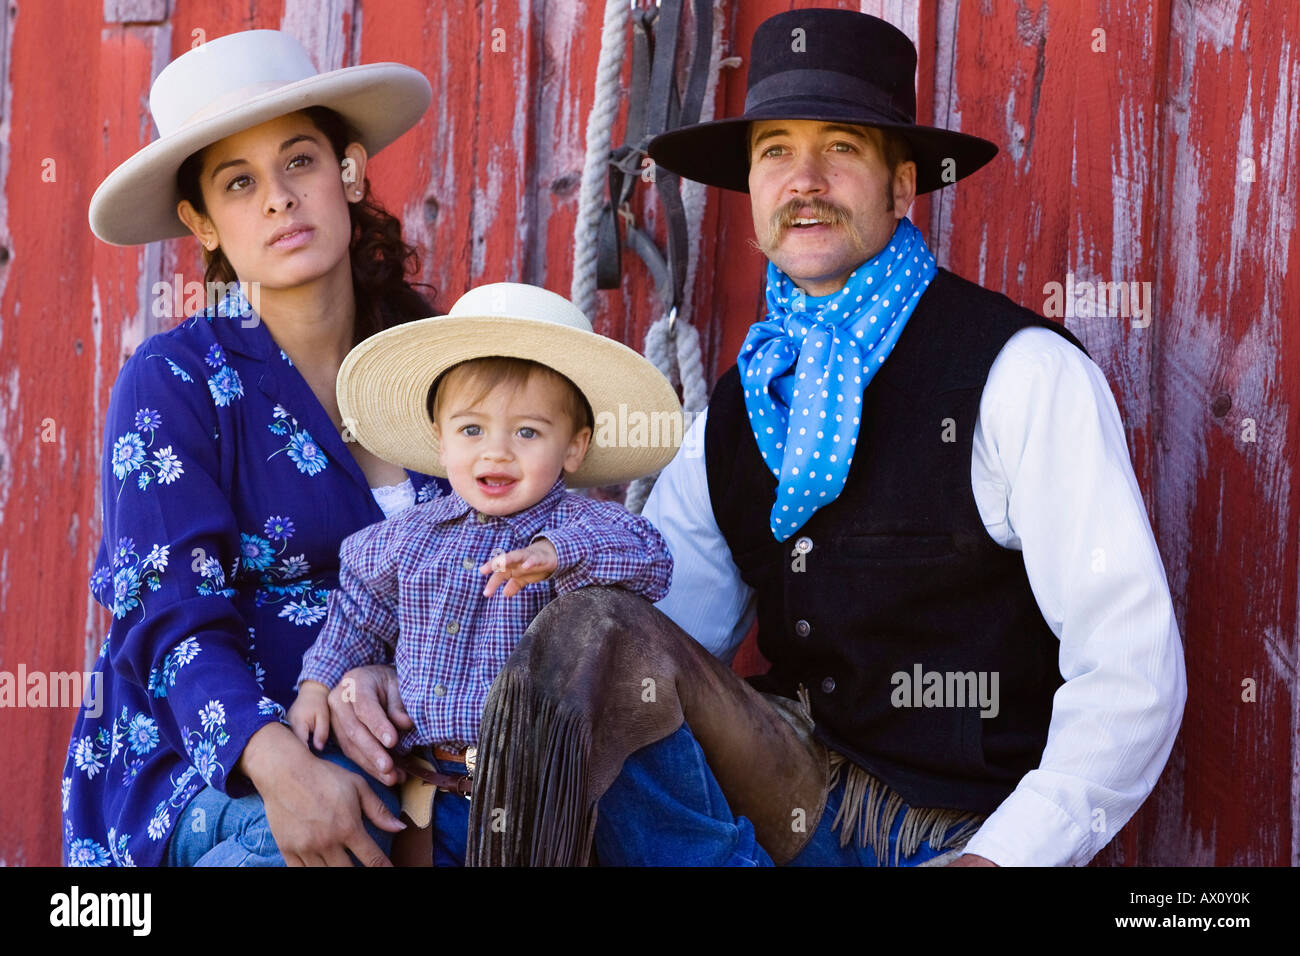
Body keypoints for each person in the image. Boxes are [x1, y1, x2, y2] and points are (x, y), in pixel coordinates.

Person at [410, 8, 1182, 867]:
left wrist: (1000, 860)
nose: (804, 178)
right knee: (595, 638)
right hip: (788, 800)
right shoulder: (738, 412)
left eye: (842, 147)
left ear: (900, 186)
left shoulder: (1019, 375)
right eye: (776, 149)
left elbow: (1131, 670)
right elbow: (662, 630)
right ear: (752, 187)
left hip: (959, 834)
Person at [62, 28, 445, 867]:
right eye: (240, 183)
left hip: (413, 741)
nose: (279, 199)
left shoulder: (437, 364)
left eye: (300, 162)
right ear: (201, 221)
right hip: (218, 768)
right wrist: (280, 770)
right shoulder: (175, 382)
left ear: (347, 172)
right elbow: (169, 615)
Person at [285, 282, 679, 865]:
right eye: (472, 430)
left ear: (573, 448)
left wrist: (555, 553)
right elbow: (358, 614)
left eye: (527, 432)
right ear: (440, 443)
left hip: (546, 792)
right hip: (434, 786)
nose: (496, 453)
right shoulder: (409, 538)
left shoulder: (583, 524)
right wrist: (318, 682)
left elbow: (650, 558)